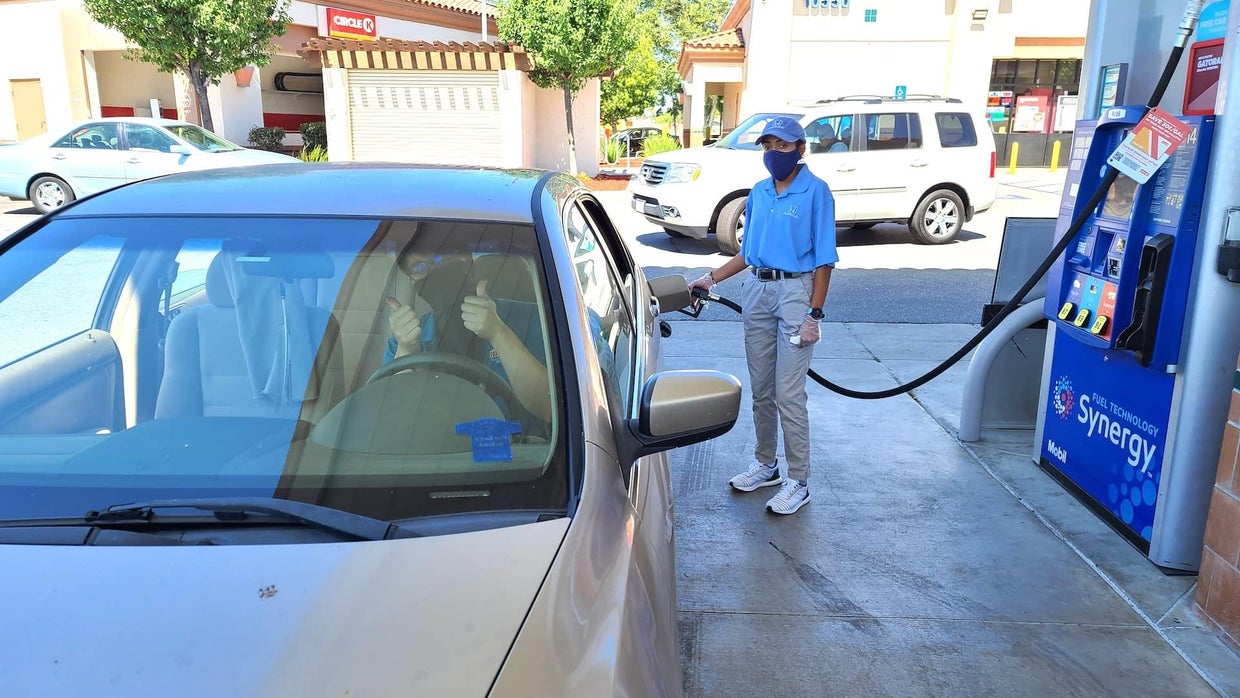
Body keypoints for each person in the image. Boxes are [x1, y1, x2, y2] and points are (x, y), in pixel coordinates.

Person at [688, 116, 838, 516]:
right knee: (762, 390)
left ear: (801, 149)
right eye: (768, 145)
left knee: (789, 393)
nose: (774, 153)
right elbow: (747, 252)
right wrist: (710, 279)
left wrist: (814, 315)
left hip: (796, 294)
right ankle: (766, 464)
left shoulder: (816, 193)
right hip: (757, 289)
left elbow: (825, 260)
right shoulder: (758, 193)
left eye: (783, 146)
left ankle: (799, 480)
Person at [384, 247, 552, 423]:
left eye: (441, 256)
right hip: (438, 448)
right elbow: (393, 424)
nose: (434, 270)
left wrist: (499, 333)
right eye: (419, 268)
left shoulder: (531, 319)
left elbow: (548, 407)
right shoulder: (401, 342)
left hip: (522, 448)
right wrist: (407, 353)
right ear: (412, 281)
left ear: (466, 257)